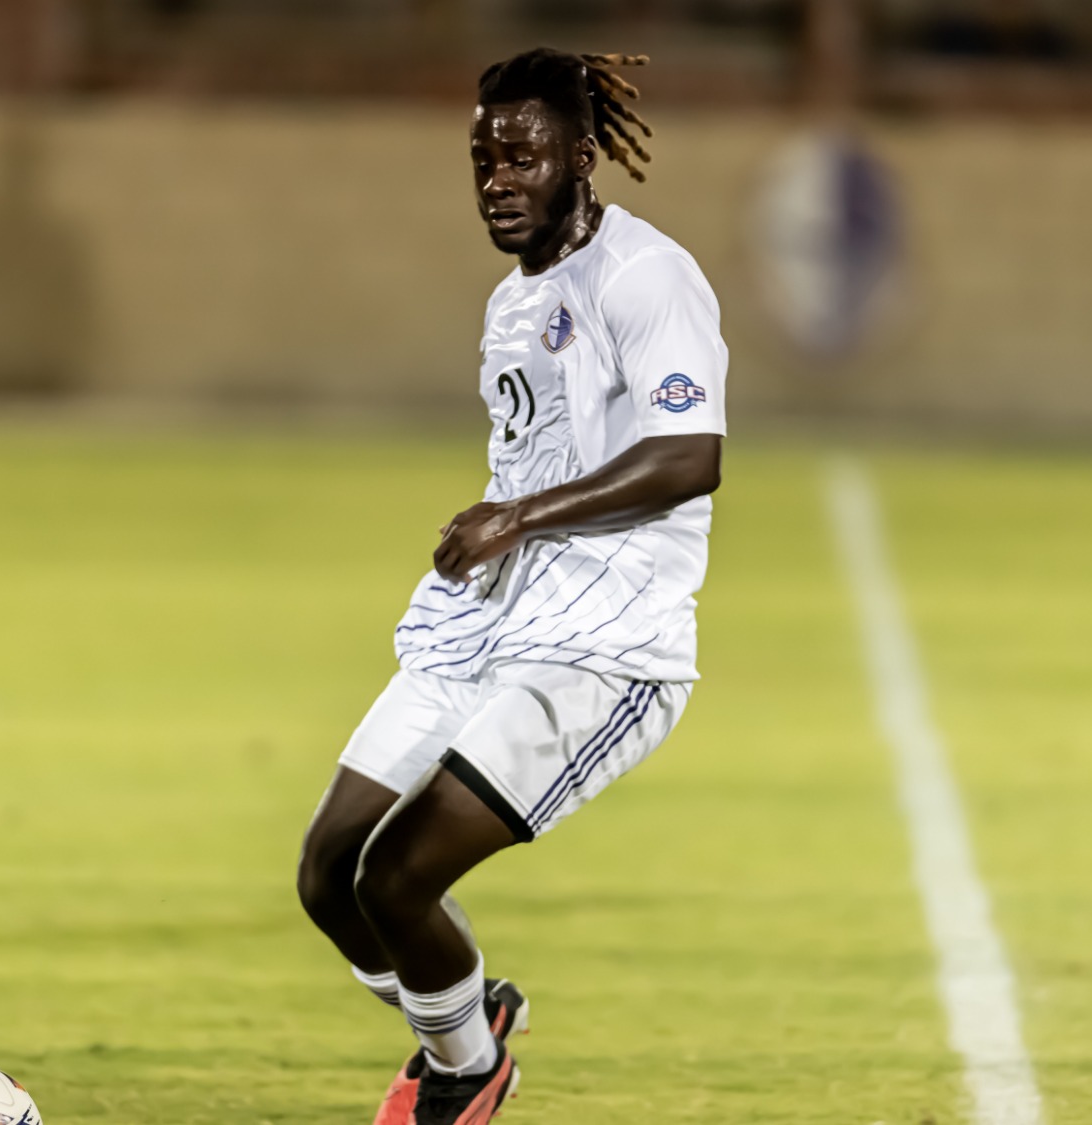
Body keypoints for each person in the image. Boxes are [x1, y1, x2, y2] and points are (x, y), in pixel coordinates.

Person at [295, 49, 728, 1125]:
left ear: (581, 158)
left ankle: (460, 1074)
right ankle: (467, 1027)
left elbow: (689, 456)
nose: (497, 177)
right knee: (325, 873)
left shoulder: (645, 277)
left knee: (397, 878)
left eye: (522, 154)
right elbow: (532, 456)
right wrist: (487, 531)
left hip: (604, 644)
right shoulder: (510, 303)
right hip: (492, 622)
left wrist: (516, 520)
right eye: (484, 157)